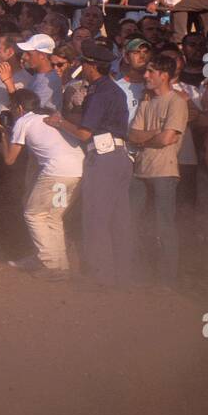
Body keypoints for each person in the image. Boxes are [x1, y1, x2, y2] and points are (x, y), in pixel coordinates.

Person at [45, 40, 132, 286]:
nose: (82, 66)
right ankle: (124, 274)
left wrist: (59, 122)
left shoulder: (98, 92)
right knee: (119, 219)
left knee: (96, 217)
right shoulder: (113, 89)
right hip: (120, 156)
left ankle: (101, 275)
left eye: (84, 63)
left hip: (103, 157)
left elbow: (84, 133)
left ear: (91, 66)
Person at [0, 91, 83, 281]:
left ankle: (49, 263)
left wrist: (2, 135)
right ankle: (60, 263)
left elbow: (10, 159)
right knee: (53, 217)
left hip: (56, 171)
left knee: (33, 214)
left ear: (20, 108)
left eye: (12, 107)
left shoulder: (23, 121)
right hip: (77, 171)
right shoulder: (48, 118)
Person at [128, 52, 189, 287]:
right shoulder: (146, 102)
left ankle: (166, 279)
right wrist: (154, 134)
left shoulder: (177, 102)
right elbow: (132, 135)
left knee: (164, 226)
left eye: (151, 71)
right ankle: (140, 272)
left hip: (164, 171)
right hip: (141, 170)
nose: (145, 75)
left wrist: (145, 138)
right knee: (134, 222)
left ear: (164, 75)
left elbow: (167, 139)